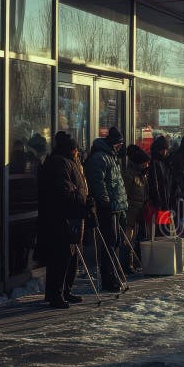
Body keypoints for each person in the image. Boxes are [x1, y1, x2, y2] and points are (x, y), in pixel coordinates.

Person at [40, 132, 90, 308]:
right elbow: (64, 190)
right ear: (72, 149)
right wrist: (83, 199)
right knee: (61, 257)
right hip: (62, 217)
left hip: (70, 215)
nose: (78, 153)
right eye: (76, 150)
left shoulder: (68, 162)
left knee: (71, 256)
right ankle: (56, 294)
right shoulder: (59, 163)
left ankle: (64, 291)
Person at [84, 127, 128, 292]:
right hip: (107, 207)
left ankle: (113, 276)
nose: (120, 147)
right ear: (114, 143)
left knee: (114, 241)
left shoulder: (110, 156)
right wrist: (105, 201)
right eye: (119, 143)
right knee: (109, 242)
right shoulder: (100, 158)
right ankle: (109, 279)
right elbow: (98, 183)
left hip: (115, 206)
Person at [122, 145, 149, 273]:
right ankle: (127, 264)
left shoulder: (142, 175)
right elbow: (125, 194)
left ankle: (133, 262)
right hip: (130, 212)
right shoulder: (129, 174)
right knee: (128, 239)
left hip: (139, 211)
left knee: (134, 239)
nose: (147, 166)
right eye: (145, 163)